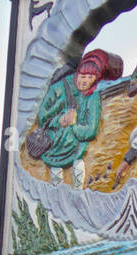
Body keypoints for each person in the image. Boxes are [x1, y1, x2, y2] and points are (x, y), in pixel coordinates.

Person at [35, 48, 122, 189]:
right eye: (83, 76)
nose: (85, 81)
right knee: (55, 177)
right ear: (77, 73)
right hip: (54, 145)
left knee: (78, 168)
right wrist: (60, 120)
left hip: (76, 148)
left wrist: (74, 125)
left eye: (90, 77)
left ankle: (77, 195)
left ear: (96, 78)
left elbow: (91, 130)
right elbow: (43, 116)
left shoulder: (93, 97)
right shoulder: (59, 88)